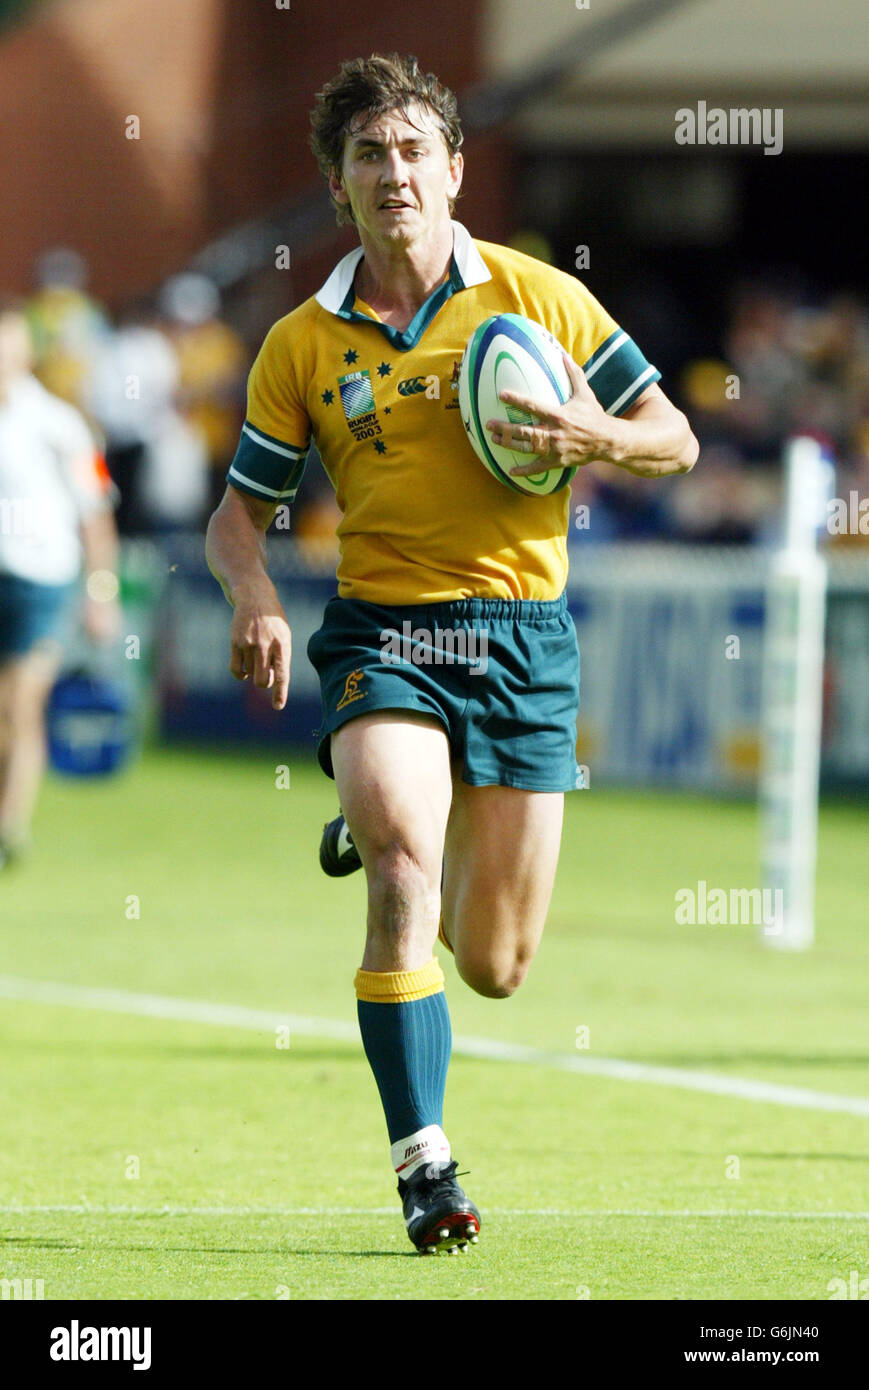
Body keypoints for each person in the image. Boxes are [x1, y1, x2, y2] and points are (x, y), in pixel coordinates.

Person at [205, 54, 698, 1254]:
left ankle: (392, 821)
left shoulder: (539, 299)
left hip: (524, 640)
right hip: (385, 633)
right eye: (368, 155)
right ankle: (424, 1165)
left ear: (455, 168)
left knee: (494, 965)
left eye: (414, 149)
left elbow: (673, 436)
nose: (394, 173)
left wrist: (593, 432)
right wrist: (257, 591)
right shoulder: (302, 346)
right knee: (400, 880)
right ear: (338, 185)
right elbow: (235, 516)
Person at [0, 301, 120, 869]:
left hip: (40, 580)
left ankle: (10, 827)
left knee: (19, 704)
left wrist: (101, 591)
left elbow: (95, 512)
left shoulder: (60, 423)